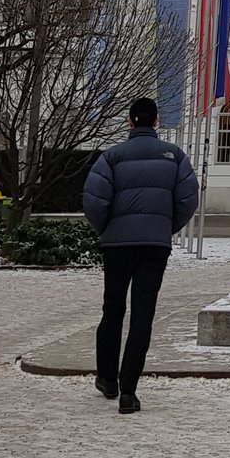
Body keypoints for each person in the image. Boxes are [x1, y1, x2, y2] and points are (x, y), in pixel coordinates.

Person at [81, 97, 198, 414]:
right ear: (156, 121)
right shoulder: (175, 157)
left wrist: (108, 228)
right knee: (143, 314)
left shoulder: (111, 157)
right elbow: (188, 199)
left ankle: (107, 378)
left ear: (129, 121)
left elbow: (93, 200)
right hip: (154, 245)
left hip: (117, 244)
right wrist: (165, 227)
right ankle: (129, 391)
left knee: (113, 308)